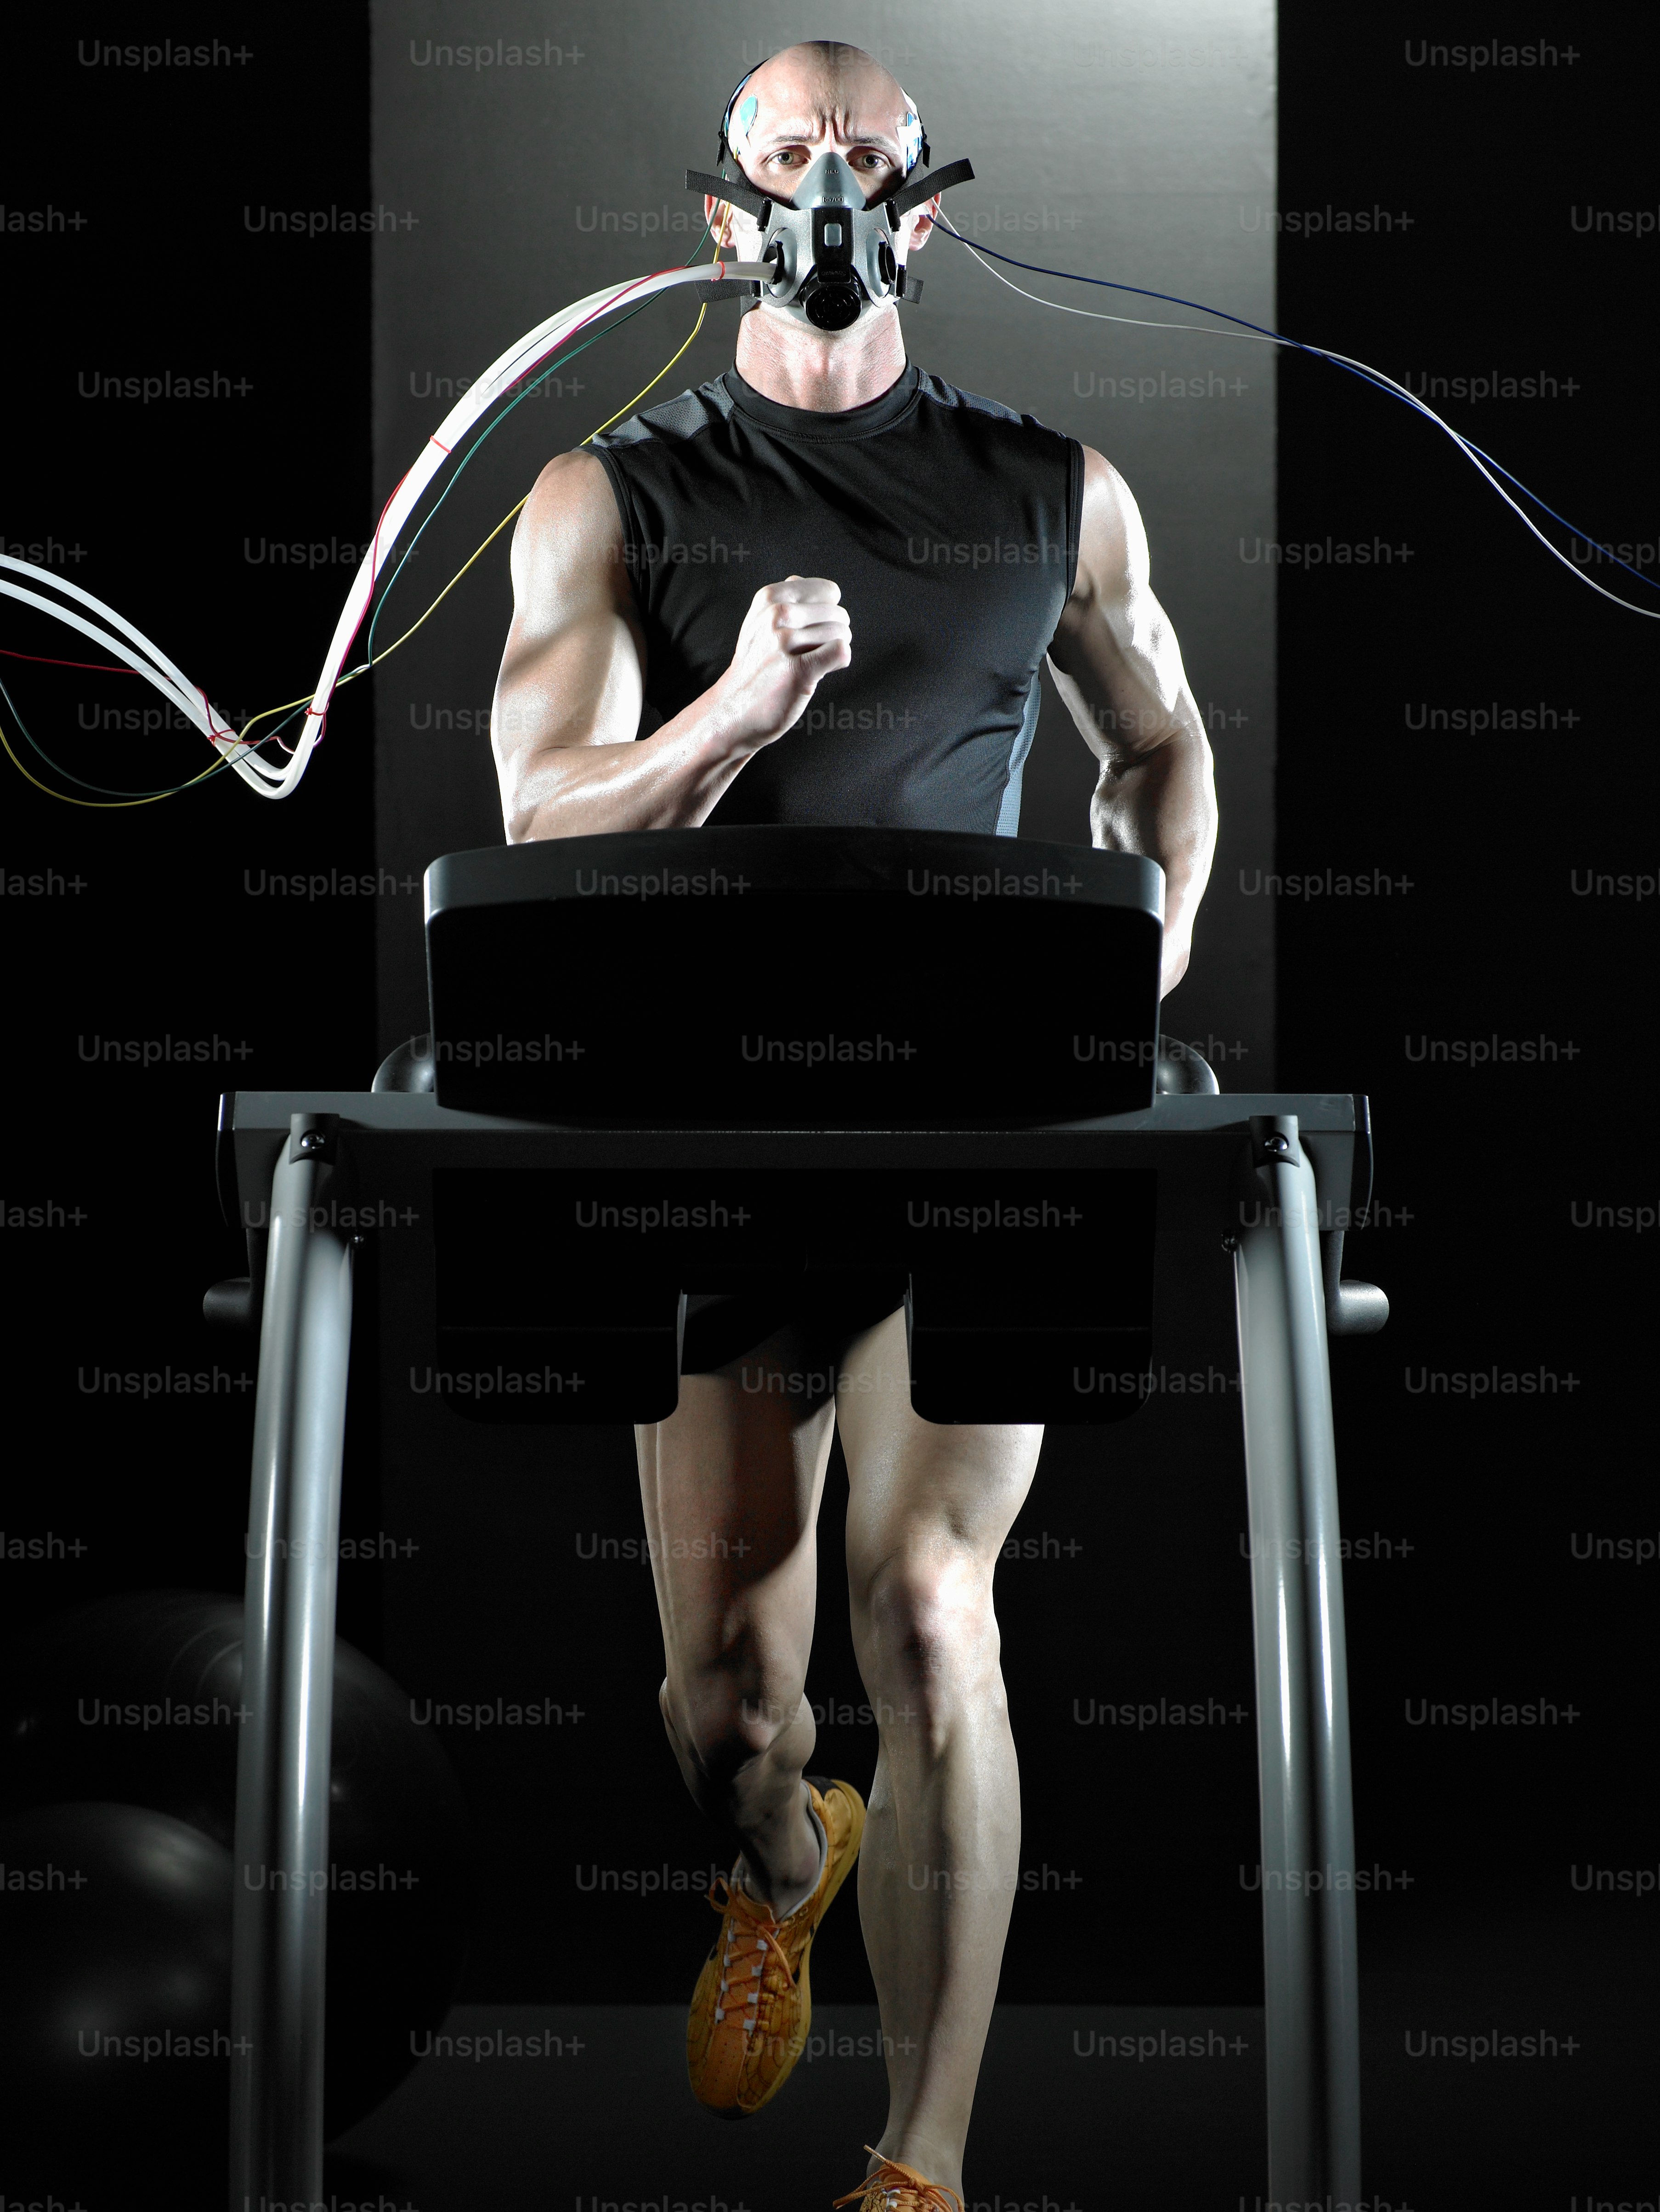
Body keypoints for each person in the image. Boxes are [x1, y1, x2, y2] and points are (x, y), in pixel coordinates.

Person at [490, 38, 1217, 2212]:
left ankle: (922, 2168)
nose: (830, 188)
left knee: (924, 1608)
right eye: (789, 157)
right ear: (722, 218)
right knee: (729, 1707)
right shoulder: (609, 497)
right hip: (708, 1135)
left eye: (869, 161)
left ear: (924, 210)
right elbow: (538, 813)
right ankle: (778, 1868)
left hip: (980, 1123)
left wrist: (1151, 935)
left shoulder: (1050, 489)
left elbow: (1161, 737)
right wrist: (736, 709)